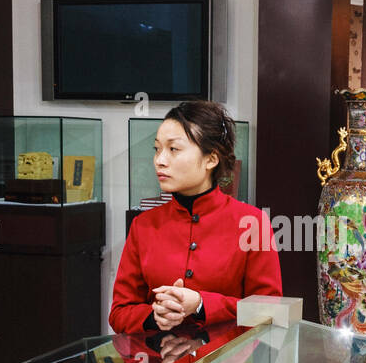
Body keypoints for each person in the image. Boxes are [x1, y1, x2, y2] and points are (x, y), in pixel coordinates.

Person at [109, 101, 282, 336]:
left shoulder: (253, 223)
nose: (159, 160)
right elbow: (119, 313)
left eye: (173, 149)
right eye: (157, 149)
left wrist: (201, 304)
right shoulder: (144, 225)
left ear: (211, 159)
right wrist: (154, 316)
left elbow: (269, 311)